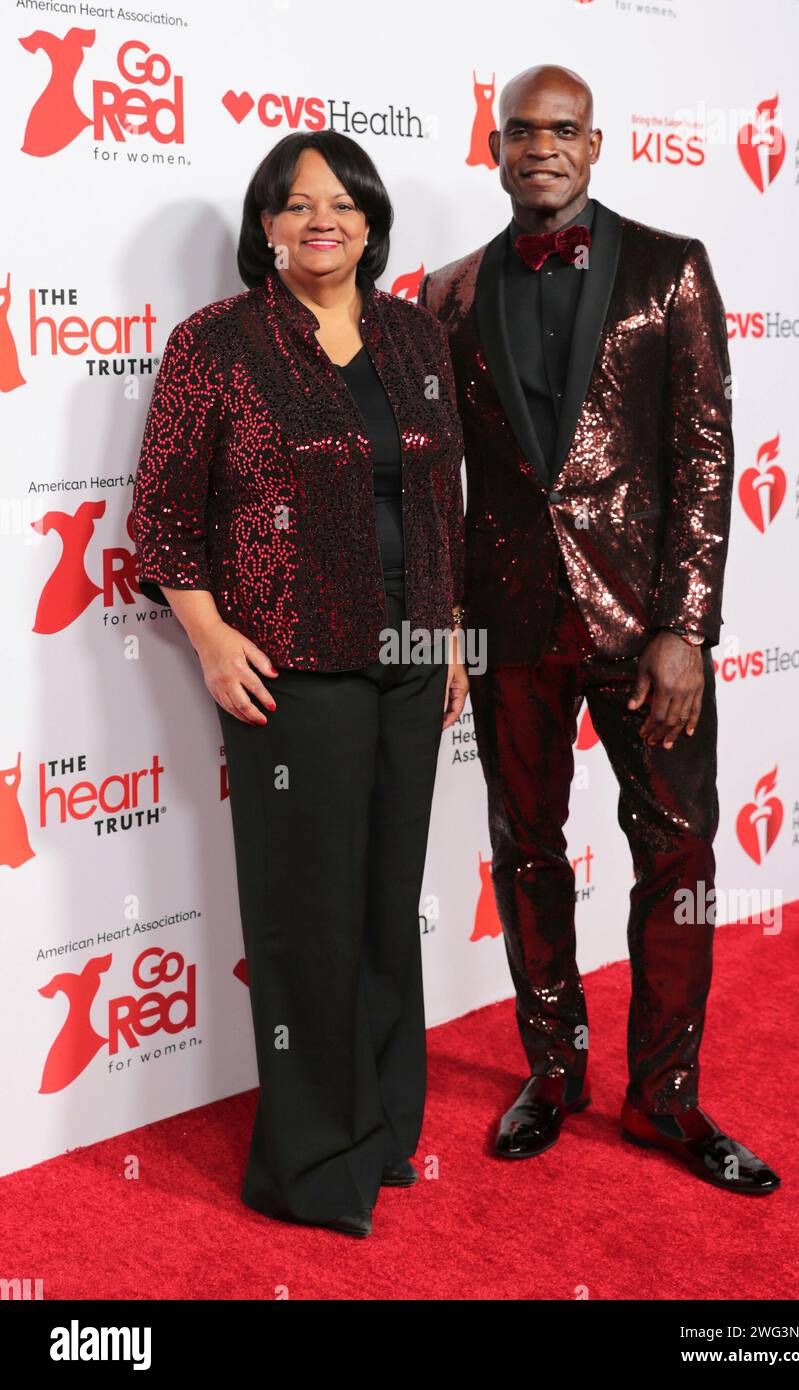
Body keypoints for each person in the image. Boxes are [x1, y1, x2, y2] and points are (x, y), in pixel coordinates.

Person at [418, 65, 780, 1195]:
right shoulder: (444, 290)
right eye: (519, 130)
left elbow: (705, 456)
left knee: (673, 853)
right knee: (525, 849)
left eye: (561, 129)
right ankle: (553, 1070)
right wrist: (442, 628)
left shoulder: (671, 269)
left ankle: (665, 1098)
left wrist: (684, 626)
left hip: (645, 630)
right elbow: (439, 484)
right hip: (510, 618)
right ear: (493, 147)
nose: (541, 146)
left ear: (595, 143)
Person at [132, 130, 468, 1237]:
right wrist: (211, 638)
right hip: (292, 670)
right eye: (295, 203)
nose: (321, 219)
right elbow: (162, 518)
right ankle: (311, 1162)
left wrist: (451, 633)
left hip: (410, 661)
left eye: (342, 202)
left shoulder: (416, 333)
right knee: (304, 918)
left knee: (384, 904)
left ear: (370, 220)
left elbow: (435, 499)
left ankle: (381, 1127)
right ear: (264, 225)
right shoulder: (217, 344)